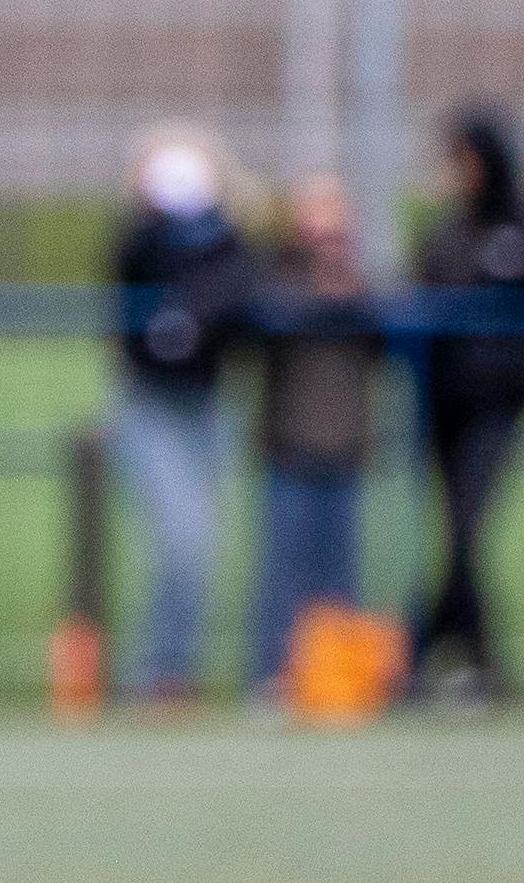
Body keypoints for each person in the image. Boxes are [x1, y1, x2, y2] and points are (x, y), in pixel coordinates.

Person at [401, 105, 524, 705]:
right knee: (455, 533)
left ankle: (428, 652)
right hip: (443, 401)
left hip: (500, 400)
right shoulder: (445, 233)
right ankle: (476, 666)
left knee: (467, 530)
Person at [102, 131, 250, 703]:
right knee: (181, 541)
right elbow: (132, 259)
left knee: (203, 548)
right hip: (150, 408)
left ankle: (174, 672)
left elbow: (237, 285)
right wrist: (156, 211)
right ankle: (155, 674)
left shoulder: (226, 243)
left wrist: (212, 212)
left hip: (208, 410)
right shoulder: (140, 241)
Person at [244, 176, 387, 697]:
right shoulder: (277, 283)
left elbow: (381, 335)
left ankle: (336, 681)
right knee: (282, 576)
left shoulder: (362, 289)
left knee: (339, 578)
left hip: (346, 451)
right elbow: (265, 321)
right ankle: (271, 676)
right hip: (289, 450)